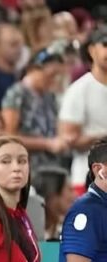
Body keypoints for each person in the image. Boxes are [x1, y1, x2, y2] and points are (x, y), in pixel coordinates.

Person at [1, 48, 69, 174]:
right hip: (27, 165)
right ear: (33, 69)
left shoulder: (50, 96)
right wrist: (47, 144)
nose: (54, 80)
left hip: (51, 163)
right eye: (51, 75)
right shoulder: (16, 94)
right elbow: (9, 136)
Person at [58, 26, 107, 196]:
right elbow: (69, 139)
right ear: (92, 50)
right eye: (105, 44)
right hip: (87, 178)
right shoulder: (79, 90)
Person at [32, 165, 75, 240]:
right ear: (52, 195)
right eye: (69, 189)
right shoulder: (28, 234)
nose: (74, 195)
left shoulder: (69, 230)